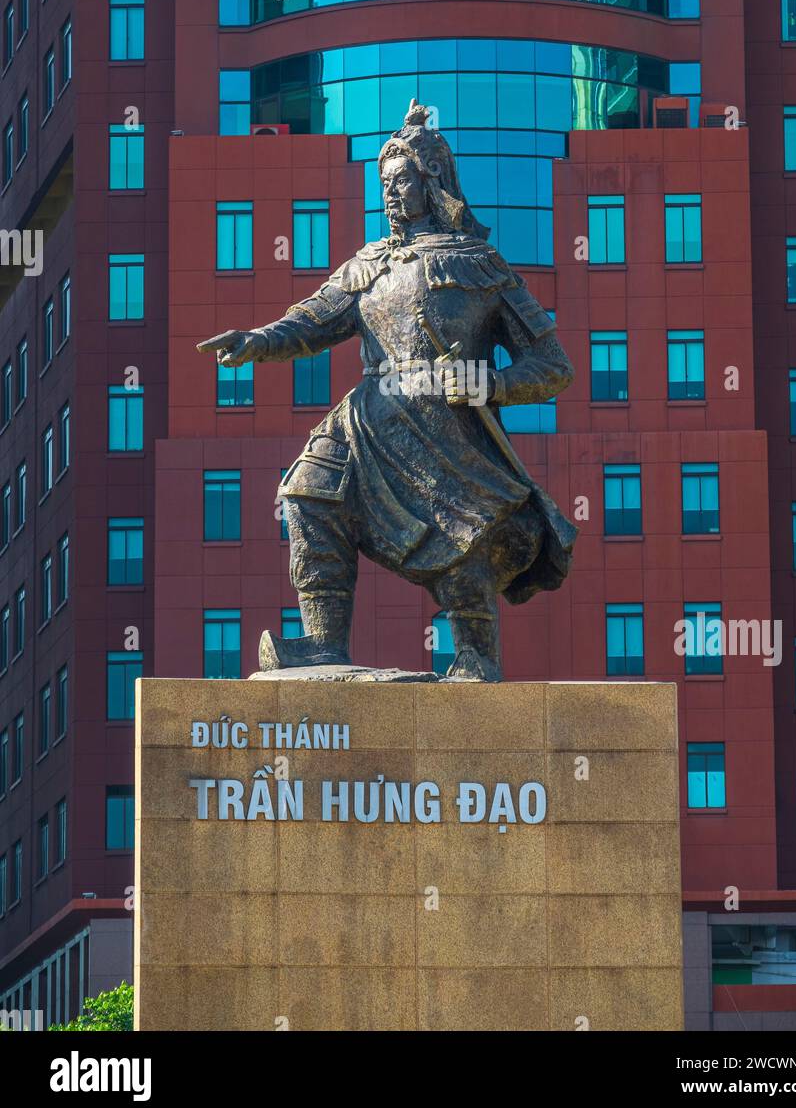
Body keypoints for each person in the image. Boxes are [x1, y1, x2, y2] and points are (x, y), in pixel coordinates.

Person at [198, 101, 576, 681]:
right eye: (385, 184)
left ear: (432, 181)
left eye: (402, 181)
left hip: (446, 428)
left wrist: (490, 381)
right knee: (306, 494)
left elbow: (552, 364)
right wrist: (255, 340)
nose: (392, 194)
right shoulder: (368, 264)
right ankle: (324, 642)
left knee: (462, 544)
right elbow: (310, 321)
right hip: (366, 419)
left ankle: (476, 654)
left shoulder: (480, 265)